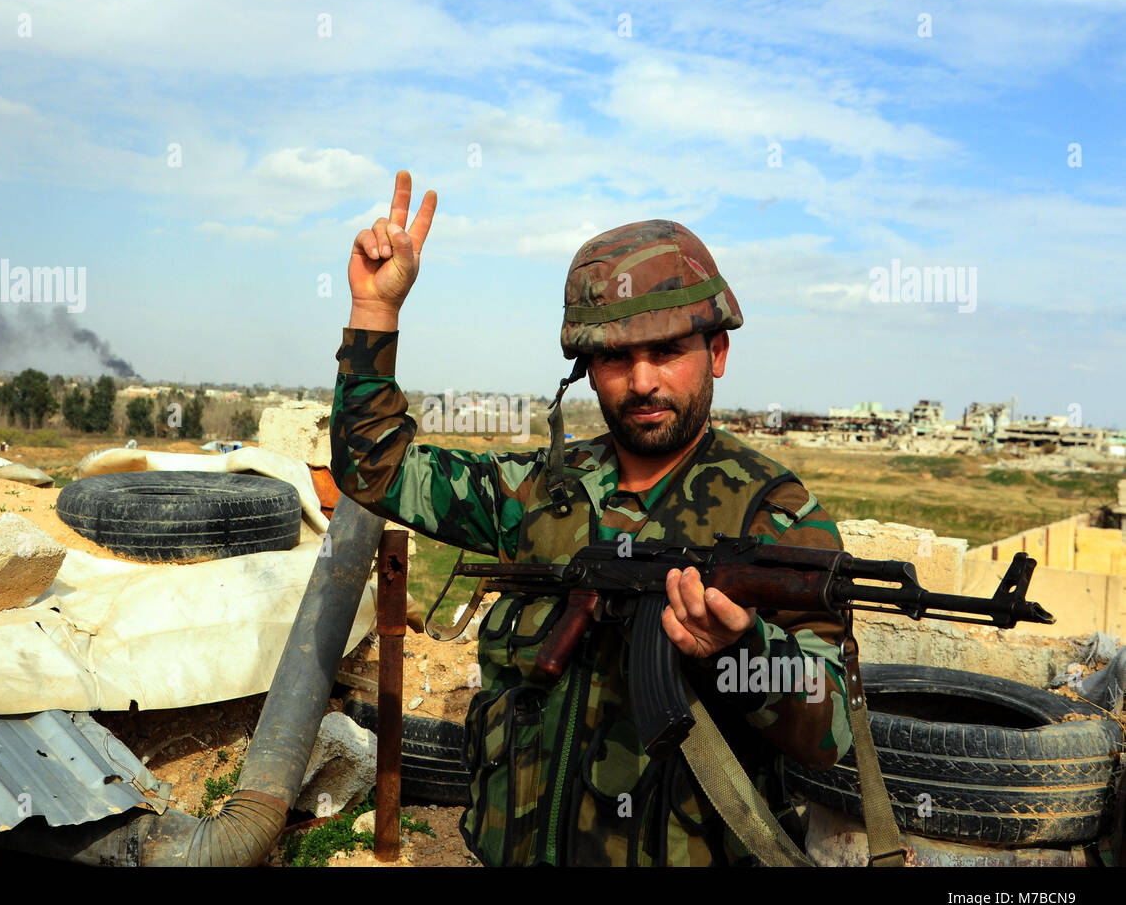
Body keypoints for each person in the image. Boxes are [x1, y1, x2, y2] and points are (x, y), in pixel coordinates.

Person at [331, 171, 851, 866]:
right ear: (587, 368)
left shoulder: (775, 516)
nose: (642, 382)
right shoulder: (542, 489)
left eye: (666, 352)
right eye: (615, 358)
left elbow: (833, 728)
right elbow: (376, 467)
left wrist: (743, 653)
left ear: (716, 353)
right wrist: (375, 310)